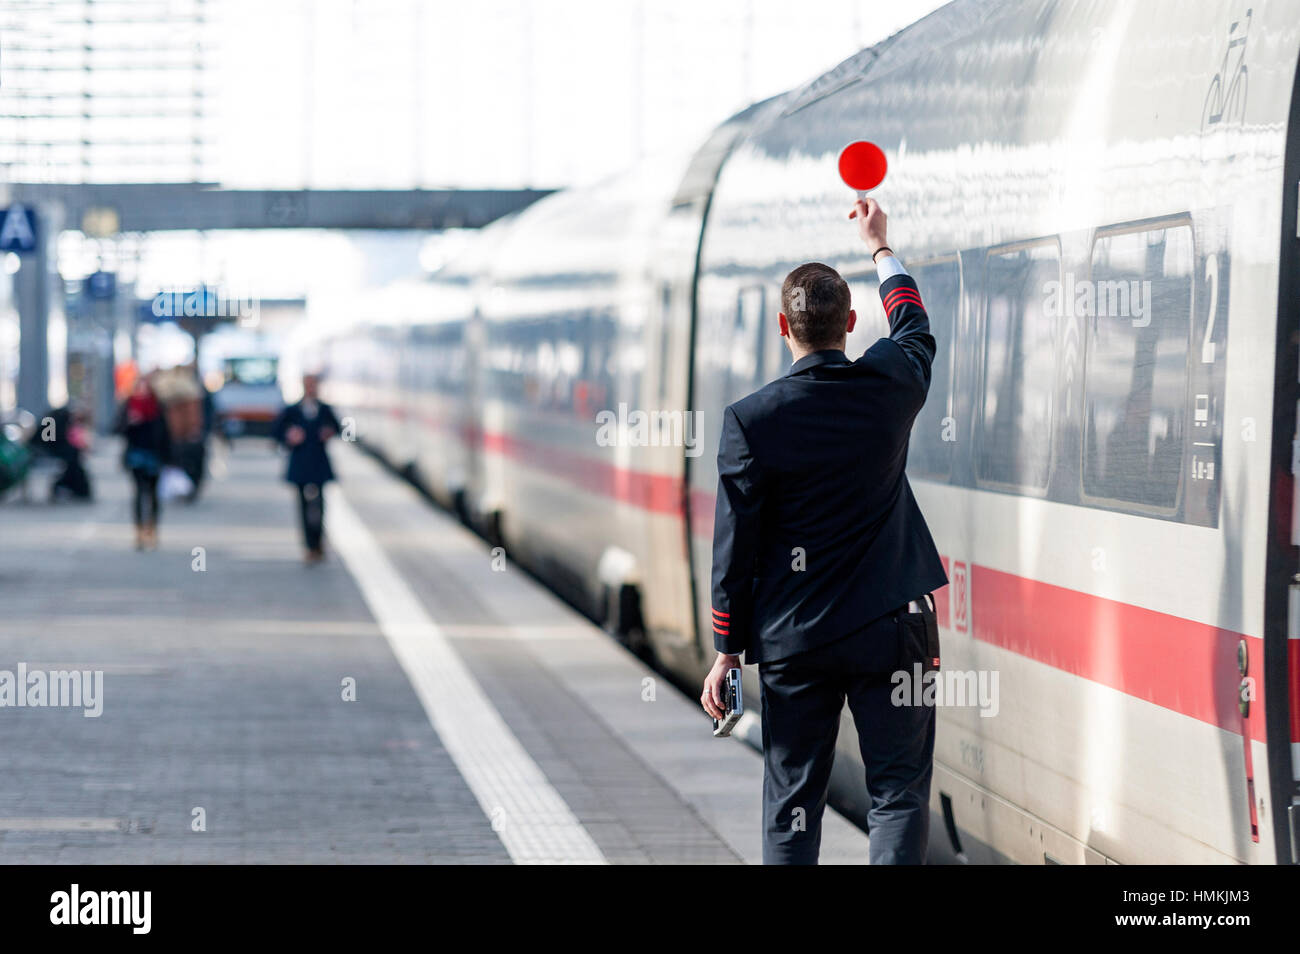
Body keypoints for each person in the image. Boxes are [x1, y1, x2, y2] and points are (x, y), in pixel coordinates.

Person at [701, 197, 949, 865]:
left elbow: (735, 548)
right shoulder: (890, 383)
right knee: (898, 793)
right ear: (851, 323)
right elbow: (915, 327)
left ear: (785, 326)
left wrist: (727, 651)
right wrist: (880, 248)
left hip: (793, 637)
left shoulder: (751, 420)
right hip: (891, 627)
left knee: (793, 798)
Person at [271, 374, 342, 563]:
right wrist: (289, 436)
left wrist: (330, 432)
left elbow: (340, 429)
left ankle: (319, 543)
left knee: (320, 505)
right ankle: (309, 546)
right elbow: (276, 432)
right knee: (302, 506)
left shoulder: (325, 409)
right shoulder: (292, 410)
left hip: (318, 464)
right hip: (301, 465)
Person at [115, 378, 171, 550]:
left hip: (154, 456)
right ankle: (138, 531)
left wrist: (169, 458)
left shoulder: (157, 407)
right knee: (139, 493)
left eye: (145, 388)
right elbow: (116, 428)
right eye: (139, 388)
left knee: (153, 494)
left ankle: (152, 529)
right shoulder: (129, 406)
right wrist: (129, 423)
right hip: (136, 455)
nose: (142, 392)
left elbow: (166, 434)